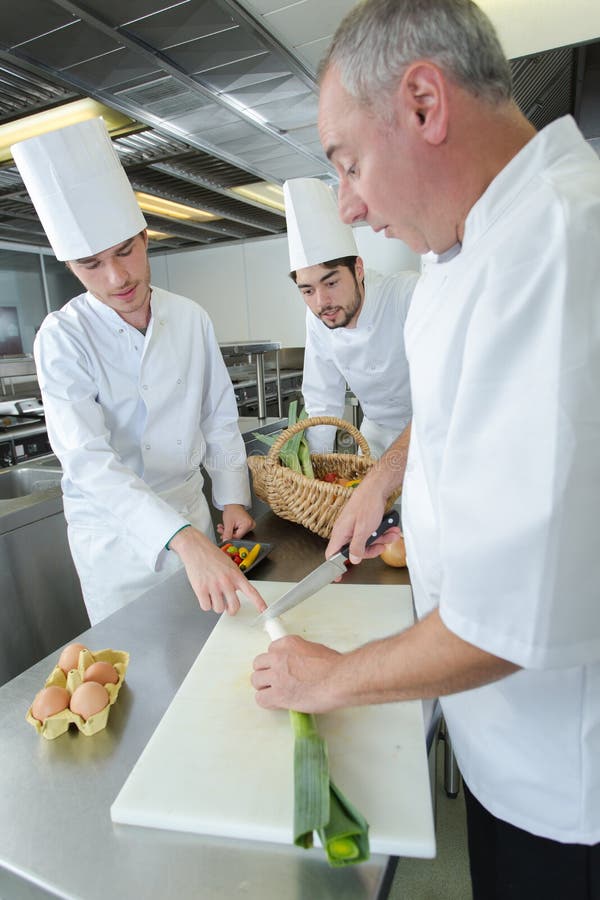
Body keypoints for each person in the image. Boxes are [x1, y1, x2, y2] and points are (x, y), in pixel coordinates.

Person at [252, 1, 600, 896]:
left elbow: (504, 623)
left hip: (562, 780)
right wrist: (388, 477)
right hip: (498, 743)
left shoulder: (556, 249)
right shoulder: (473, 247)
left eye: (348, 162)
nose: (349, 204)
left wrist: (330, 679)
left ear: (423, 104)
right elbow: (449, 419)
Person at [12, 117, 266, 625]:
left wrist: (233, 499)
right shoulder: (62, 337)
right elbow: (88, 460)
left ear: (145, 237)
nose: (117, 277)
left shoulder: (190, 317)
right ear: (70, 266)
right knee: (135, 658)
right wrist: (180, 539)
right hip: (115, 544)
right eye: (91, 265)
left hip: (192, 513)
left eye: (125, 251)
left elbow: (218, 418)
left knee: (208, 647)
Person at [284, 176, 418, 459]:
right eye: (307, 290)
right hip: (375, 438)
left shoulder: (405, 296)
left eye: (331, 283)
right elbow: (322, 402)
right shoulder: (318, 318)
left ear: (358, 269)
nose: (322, 302)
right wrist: (314, 471)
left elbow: (445, 393)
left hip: (429, 430)